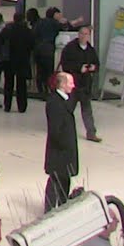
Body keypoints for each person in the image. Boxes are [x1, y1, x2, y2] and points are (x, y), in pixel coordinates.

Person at [59, 25, 102, 142]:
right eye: (82, 34)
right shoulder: (70, 48)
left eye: (86, 34)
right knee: (68, 109)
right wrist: (79, 68)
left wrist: (93, 67)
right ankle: (62, 130)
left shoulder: (90, 50)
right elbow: (65, 64)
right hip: (72, 84)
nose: (84, 36)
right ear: (78, 34)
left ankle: (91, 133)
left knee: (87, 110)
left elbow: (97, 64)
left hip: (85, 84)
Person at [44, 71, 80, 211]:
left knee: (64, 180)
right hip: (59, 152)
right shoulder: (54, 102)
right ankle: (50, 209)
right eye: (70, 83)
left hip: (66, 151)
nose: (73, 85)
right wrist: (64, 146)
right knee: (56, 181)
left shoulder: (65, 100)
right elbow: (55, 130)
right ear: (63, 84)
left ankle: (63, 206)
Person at [0, 9, 35, 113]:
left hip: (9, 60)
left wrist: (1, 54)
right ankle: (22, 106)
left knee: (8, 83)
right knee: (21, 84)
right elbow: (33, 44)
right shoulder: (27, 31)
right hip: (23, 60)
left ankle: (7, 105)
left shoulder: (8, 29)